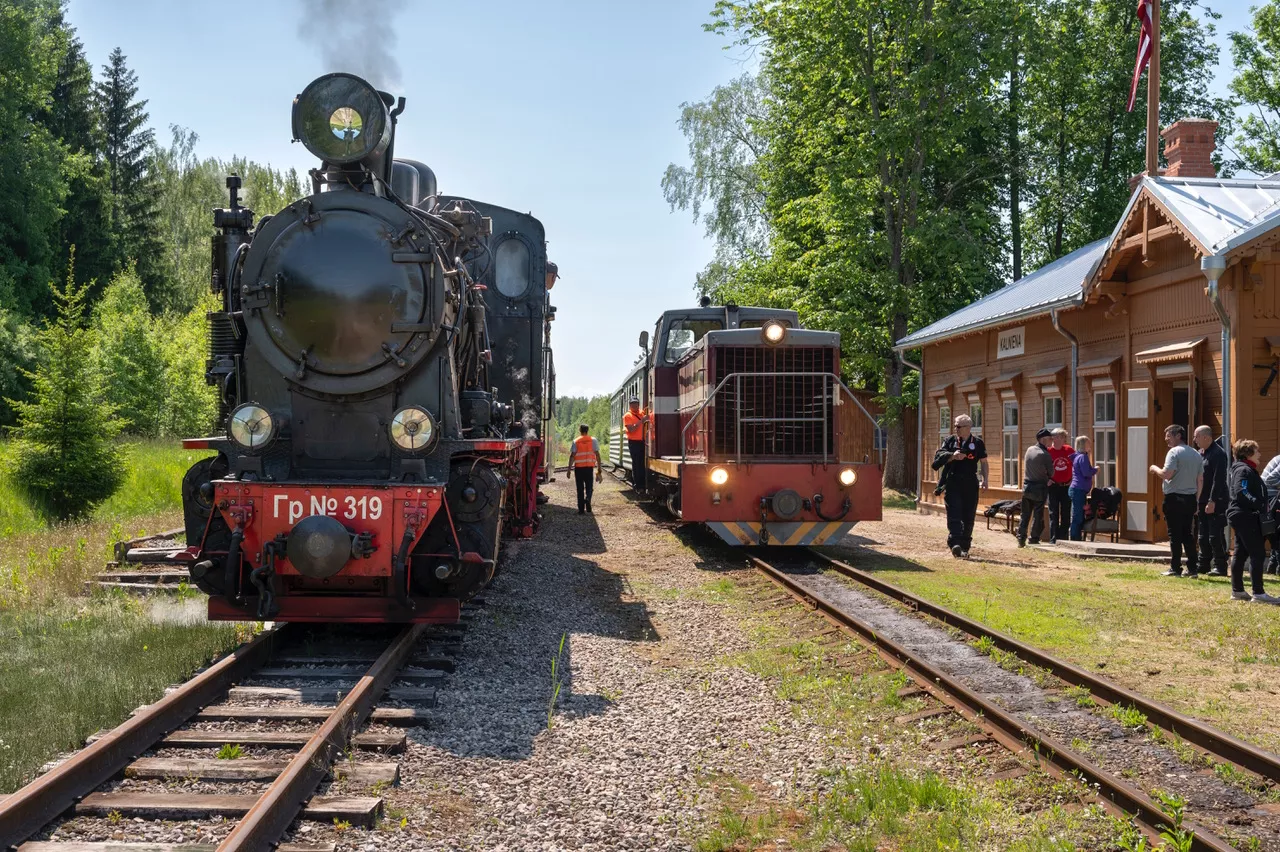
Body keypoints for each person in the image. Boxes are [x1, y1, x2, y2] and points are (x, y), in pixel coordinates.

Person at [1225, 439, 1280, 604]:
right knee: (1257, 553)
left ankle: (1238, 591)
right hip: (1245, 516)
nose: (1260, 455)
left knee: (1241, 552)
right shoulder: (1244, 470)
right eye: (1257, 451)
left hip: (1242, 515)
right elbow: (1241, 491)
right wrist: (1259, 504)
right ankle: (1259, 593)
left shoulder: (1246, 469)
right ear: (1248, 453)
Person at [1150, 424, 1203, 577]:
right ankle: (1192, 568)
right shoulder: (1196, 454)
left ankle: (1175, 568)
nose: (1166, 439)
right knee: (1187, 534)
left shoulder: (1174, 452)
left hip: (1174, 499)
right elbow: (1200, 480)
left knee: (1174, 535)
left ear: (1178, 435)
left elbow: (1167, 474)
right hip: (1190, 499)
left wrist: (1154, 468)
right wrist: (1197, 500)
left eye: (1168, 436)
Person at [936, 413, 988, 558]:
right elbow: (939, 457)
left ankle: (965, 547)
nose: (956, 429)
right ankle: (955, 543)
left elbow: (984, 462)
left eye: (958, 426)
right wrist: (952, 456)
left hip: (970, 482)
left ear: (968, 427)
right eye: (955, 426)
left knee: (968, 515)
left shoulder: (977, 443)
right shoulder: (950, 441)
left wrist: (985, 479)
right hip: (953, 481)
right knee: (954, 512)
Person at [1193, 426, 1229, 577]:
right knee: (1203, 535)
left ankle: (1220, 566)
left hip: (1216, 500)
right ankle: (1203, 564)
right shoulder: (1202, 453)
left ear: (1206, 437)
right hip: (1202, 500)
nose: (1194, 440)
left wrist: (1212, 500)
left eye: (1196, 437)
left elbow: (1218, 479)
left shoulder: (1218, 453)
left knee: (1215, 535)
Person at [1017, 429, 1054, 547]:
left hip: (1027, 486)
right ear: (1043, 439)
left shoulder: (1029, 449)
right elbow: (1051, 473)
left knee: (1025, 514)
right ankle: (1034, 538)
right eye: (1050, 439)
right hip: (1039, 487)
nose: (1051, 441)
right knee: (1038, 515)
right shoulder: (1045, 454)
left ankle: (1021, 538)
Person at [1046, 428, 1076, 544]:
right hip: (1053, 486)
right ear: (1053, 438)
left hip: (1066, 485)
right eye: (1057, 437)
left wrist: (1072, 479)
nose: (1059, 439)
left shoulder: (1069, 450)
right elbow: (1042, 467)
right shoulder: (1048, 451)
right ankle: (1053, 539)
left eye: (1062, 437)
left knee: (1066, 513)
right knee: (1053, 513)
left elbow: (1076, 465)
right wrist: (1047, 479)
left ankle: (1063, 539)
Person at [1068, 436, 1098, 541]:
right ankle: (1075, 539)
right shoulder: (1083, 457)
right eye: (1088, 443)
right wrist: (1095, 470)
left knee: (1078, 514)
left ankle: (1076, 537)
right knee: (1078, 516)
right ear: (1083, 445)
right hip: (1078, 489)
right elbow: (1086, 473)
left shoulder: (1078, 456)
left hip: (1077, 489)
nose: (1090, 445)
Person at [569, 423, 603, 515]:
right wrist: (599, 468)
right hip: (589, 468)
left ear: (580, 430)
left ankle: (581, 510)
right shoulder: (593, 440)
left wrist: (569, 469)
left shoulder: (576, 441)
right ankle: (588, 499)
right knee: (589, 487)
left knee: (580, 489)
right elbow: (597, 455)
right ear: (587, 430)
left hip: (579, 469)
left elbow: (572, 456)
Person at [622, 397, 650, 491]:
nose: (634, 405)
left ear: (638, 404)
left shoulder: (642, 412)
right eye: (632, 404)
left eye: (636, 403)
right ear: (630, 405)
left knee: (642, 463)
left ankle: (643, 484)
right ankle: (638, 486)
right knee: (637, 464)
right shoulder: (627, 416)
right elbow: (631, 429)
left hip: (643, 442)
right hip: (634, 443)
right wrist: (642, 421)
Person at [1261, 450, 1280, 575]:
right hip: (1271, 500)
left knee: (1275, 535)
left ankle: (1273, 567)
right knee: (1276, 535)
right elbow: (1270, 479)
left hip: (1270, 500)